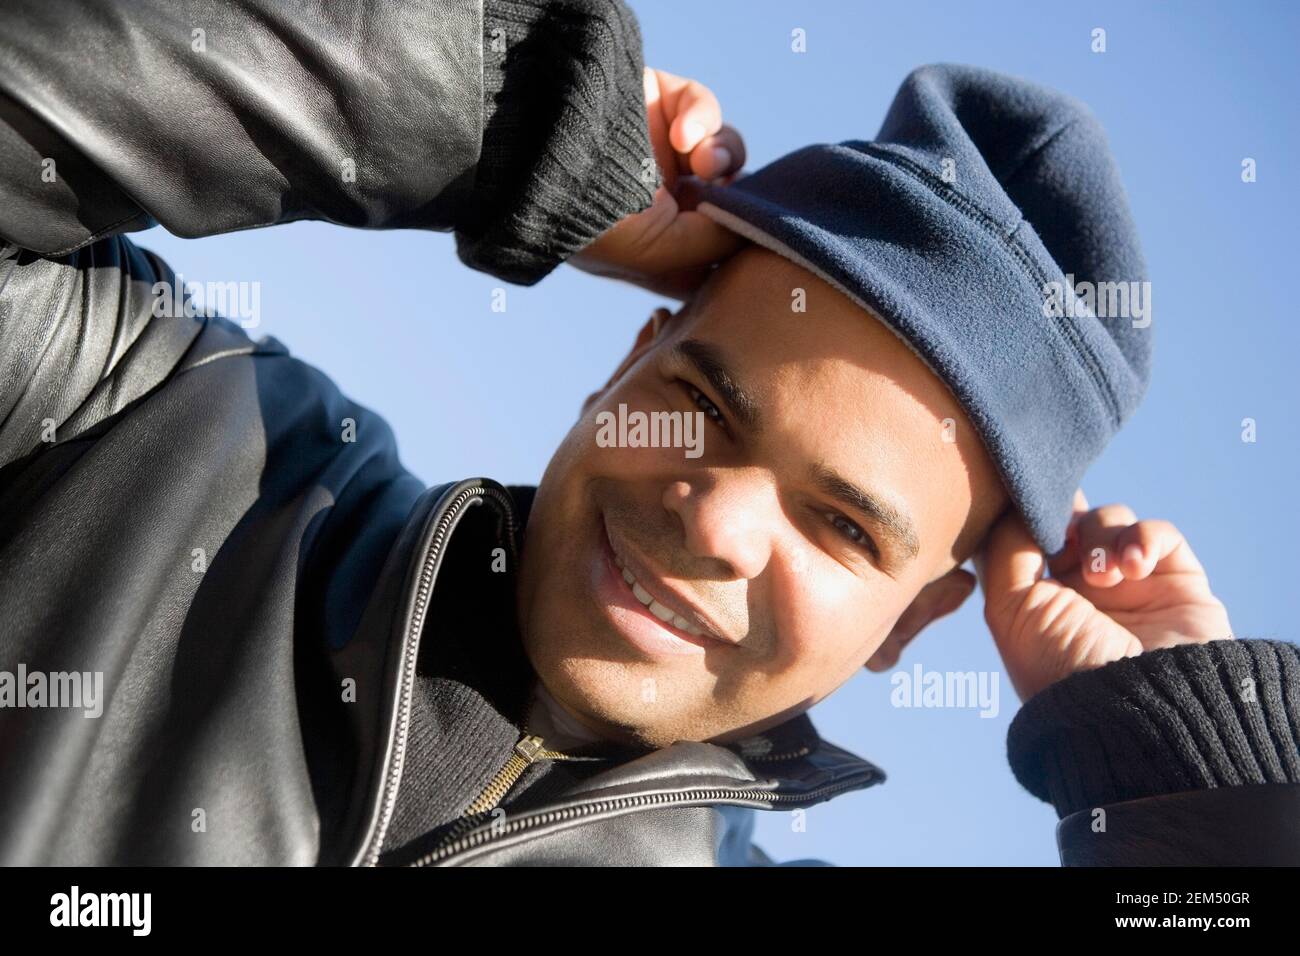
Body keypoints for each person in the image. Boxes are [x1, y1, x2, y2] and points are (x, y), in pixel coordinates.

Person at [1, 1, 1296, 867]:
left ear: (915, 621)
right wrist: (507, 122)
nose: (719, 519)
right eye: (707, 404)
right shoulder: (142, 411)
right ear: (632, 353)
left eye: (843, 526)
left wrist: (1184, 752)